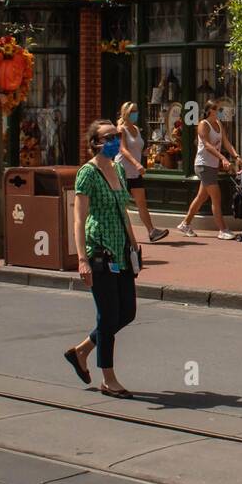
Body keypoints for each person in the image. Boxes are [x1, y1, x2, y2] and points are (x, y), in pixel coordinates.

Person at [66, 120, 140, 398]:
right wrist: (82, 259)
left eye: (116, 136)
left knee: (127, 313)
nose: (114, 140)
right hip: (99, 250)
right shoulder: (87, 173)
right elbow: (79, 218)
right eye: (108, 137)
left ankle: (82, 351)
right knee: (108, 315)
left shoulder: (119, 168)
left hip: (121, 250)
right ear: (95, 142)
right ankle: (108, 379)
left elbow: (124, 211)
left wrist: (134, 246)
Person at [176, 99, 242, 240]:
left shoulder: (218, 124)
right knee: (216, 197)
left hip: (212, 165)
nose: (221, 112)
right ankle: (223, 230)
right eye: (219, 109)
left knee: (201, 197)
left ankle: (185, 224)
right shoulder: (203, 125)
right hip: (203, 165)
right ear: (210, 110)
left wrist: (236, 156)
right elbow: (207, 145)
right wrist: (223, 158)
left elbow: (226, 142)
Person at [114, 101, 168, 242]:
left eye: (136, 111)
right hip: (123, 171)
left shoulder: (137, 129)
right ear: (126, 113)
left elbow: (136, 149)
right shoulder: (121, 129)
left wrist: (145, 153)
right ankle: (122, 233)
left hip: (135, 172)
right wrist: (137, 164)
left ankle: (152, 231)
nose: (135, 114)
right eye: (133, 112)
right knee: (122, 204)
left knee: (141, 202)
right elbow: (123, 149)